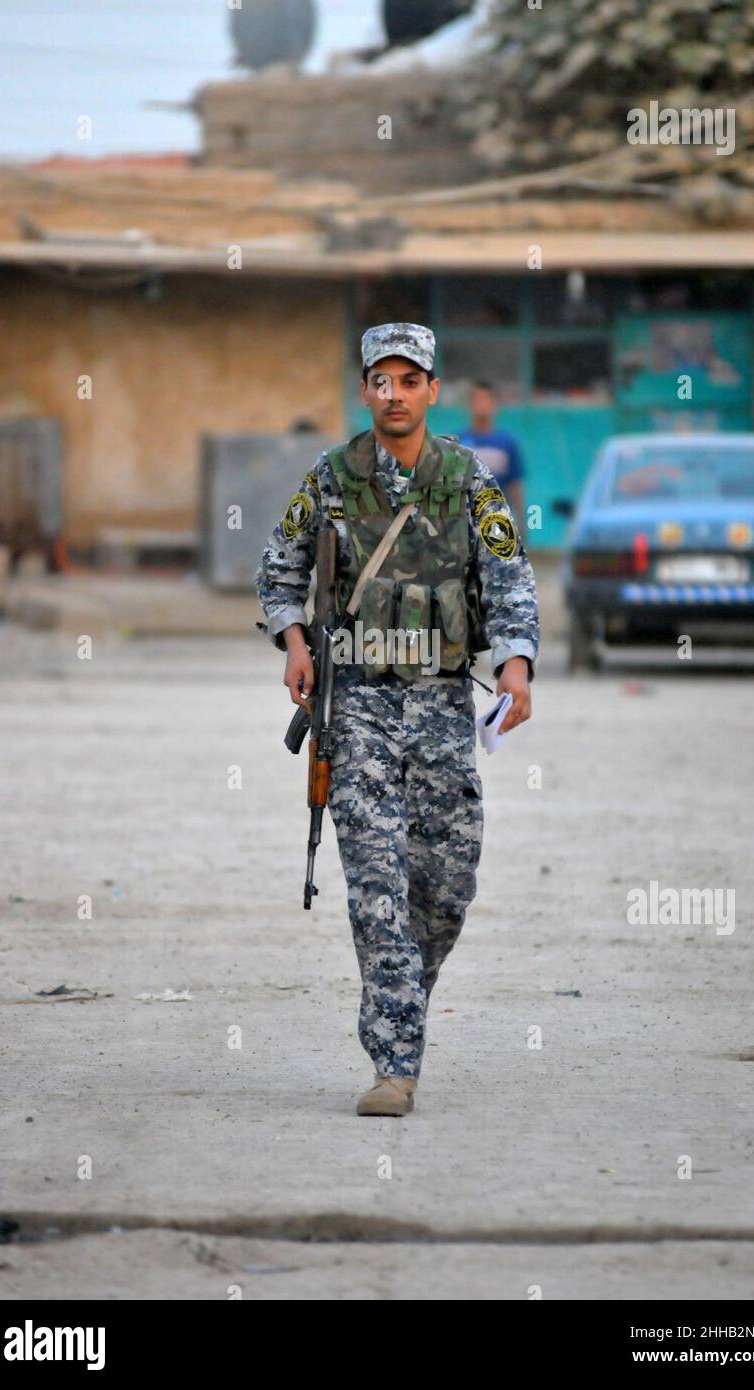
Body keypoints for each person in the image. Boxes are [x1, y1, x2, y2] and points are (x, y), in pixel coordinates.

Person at [256, 323, 540, 1117]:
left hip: (445, 706)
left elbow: (509, 576)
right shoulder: (333, 478)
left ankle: (404, 995)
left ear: (431, 389)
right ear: (364, 389)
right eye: (379, 380)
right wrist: (293, 643)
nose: (393, 394)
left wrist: (515, 662)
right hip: (359, 710)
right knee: (377, 887)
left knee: (445, 889)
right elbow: (276, 570)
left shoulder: (466, 479)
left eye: (407, 380)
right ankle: (393, 1064)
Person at [459, 381, 527, 539]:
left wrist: (523, 522)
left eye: (487, 400)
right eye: (477, 400)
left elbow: (514, 485)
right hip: (463, 524)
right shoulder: (457, 442)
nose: (482, 405)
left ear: (495, 404)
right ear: (469, 404)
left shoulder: (507, 443)